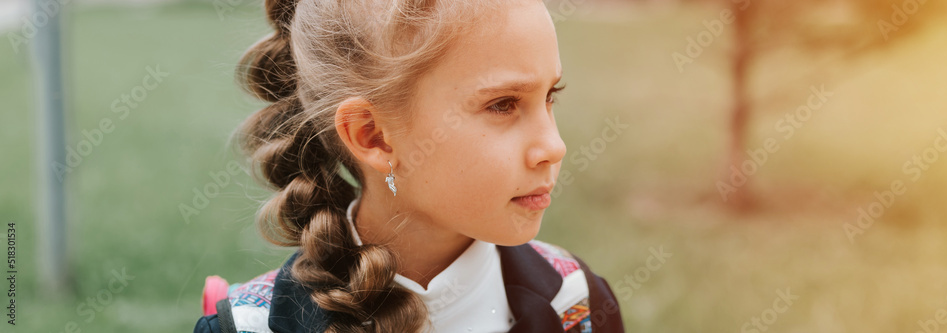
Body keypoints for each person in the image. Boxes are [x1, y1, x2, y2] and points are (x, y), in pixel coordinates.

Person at [192, 0, 624, 331]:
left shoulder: (577, 303)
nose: (554, 146)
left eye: (550, 96)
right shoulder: (251, 325)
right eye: (503, 104)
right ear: (373, 136)